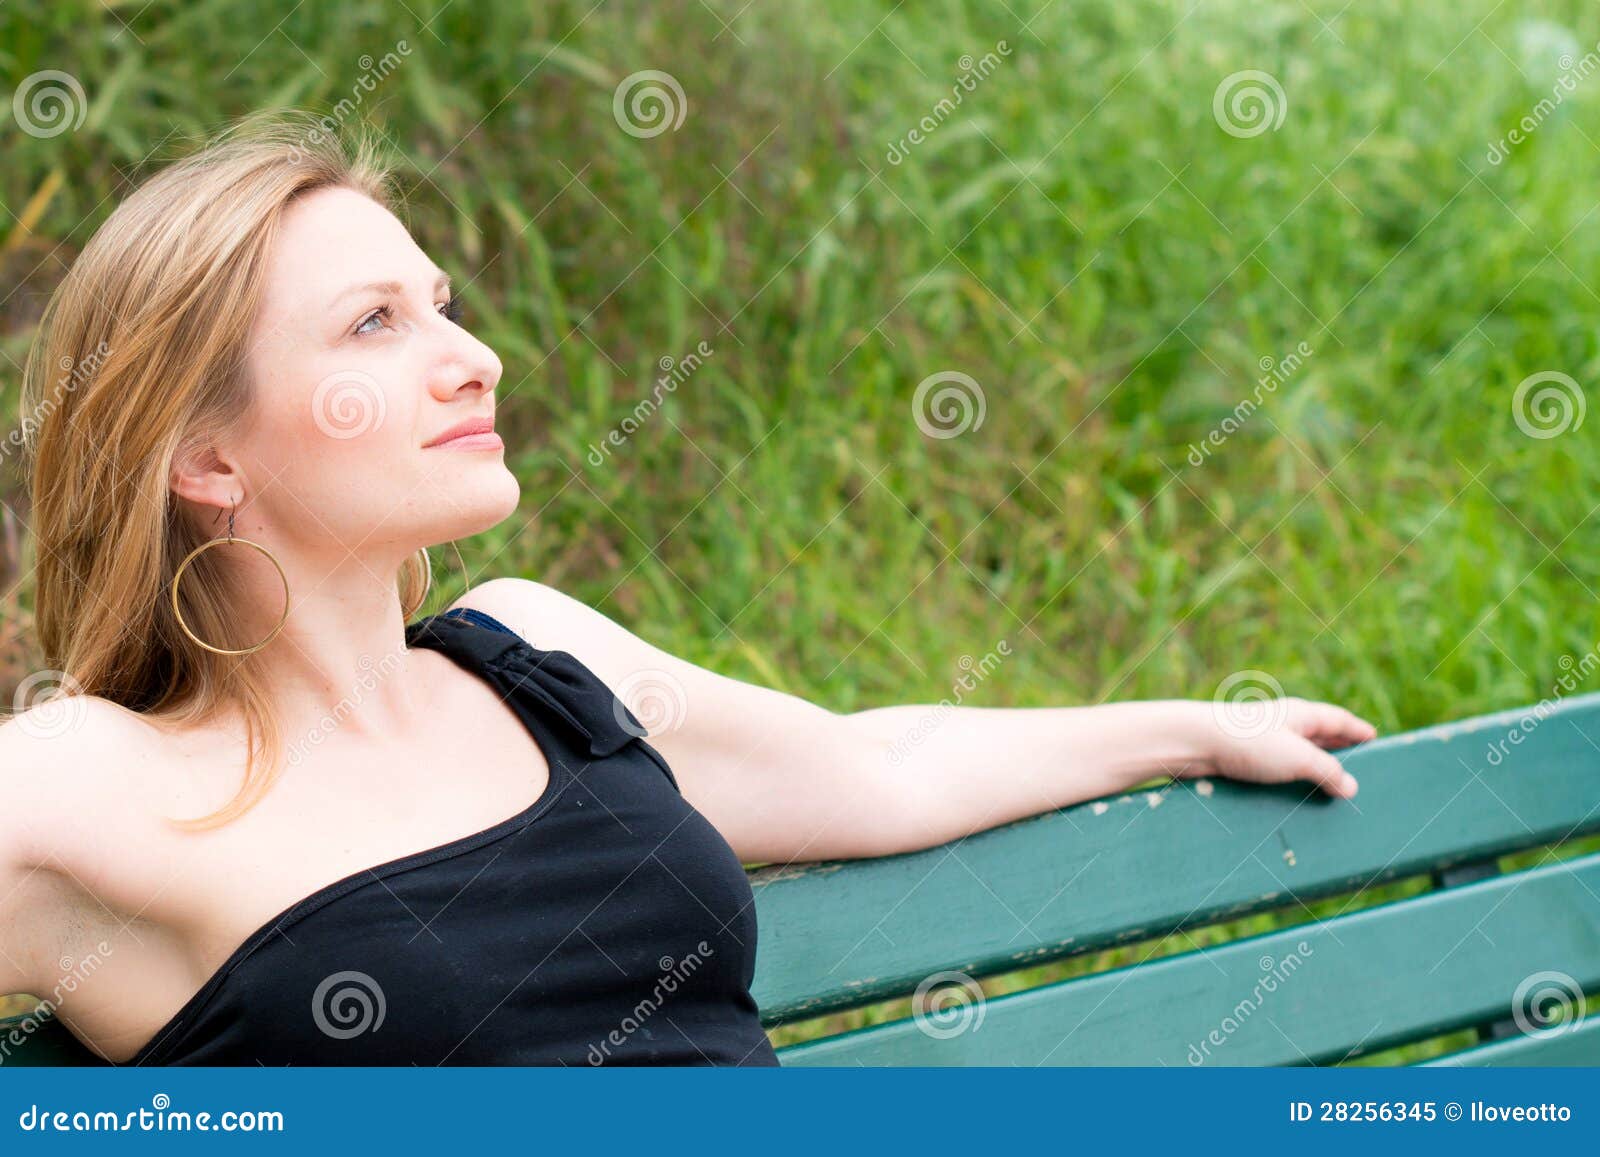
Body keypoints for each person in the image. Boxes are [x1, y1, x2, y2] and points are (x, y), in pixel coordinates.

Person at [0, 113, 1376, 1066]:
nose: (473, 355)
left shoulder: (531, 659)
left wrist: (1194, 727)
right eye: (375, 323)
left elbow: (875, 769)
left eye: (441, 302)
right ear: (207, 459)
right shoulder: (101, 783)